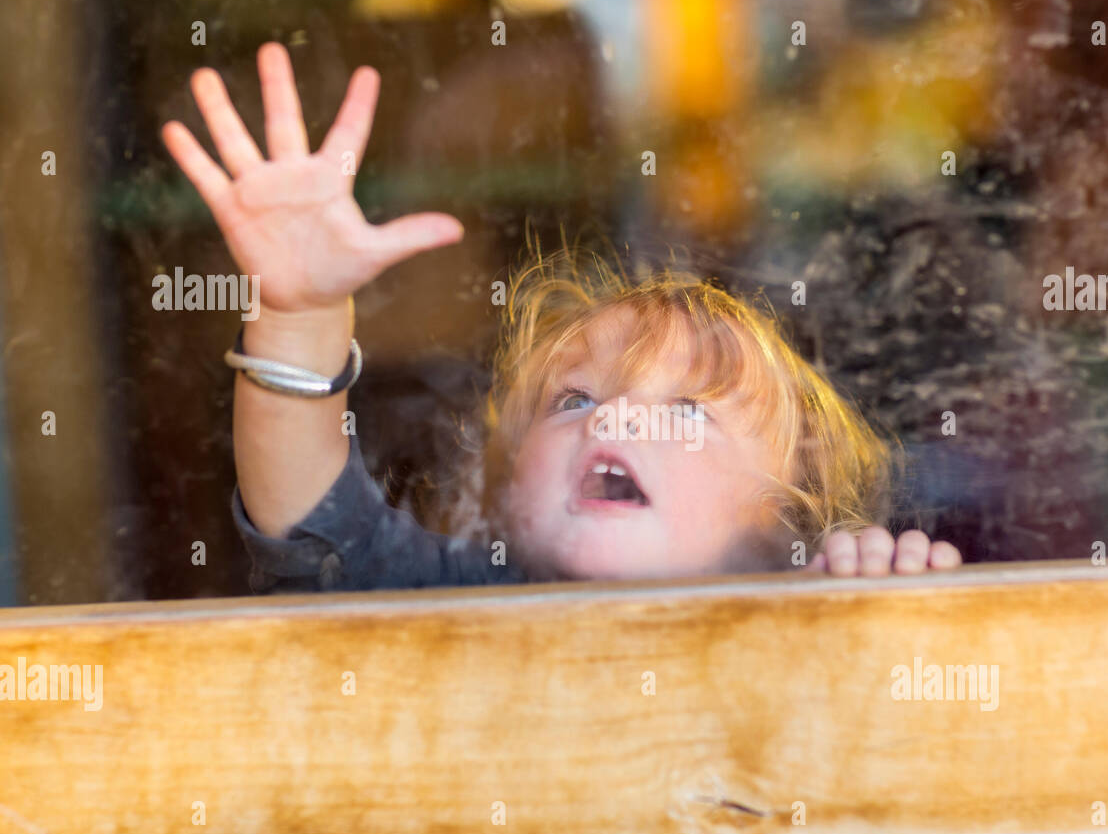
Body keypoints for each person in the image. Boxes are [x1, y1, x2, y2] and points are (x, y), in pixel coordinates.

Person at [161, 43, 962, 592]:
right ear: (510, 497)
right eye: (572, 400)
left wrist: (881, 606)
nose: (611, 414)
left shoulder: (808, 614)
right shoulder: (455, 601)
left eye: (686, 411)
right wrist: (300, 309)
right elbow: (311, 522)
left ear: (785, 521)